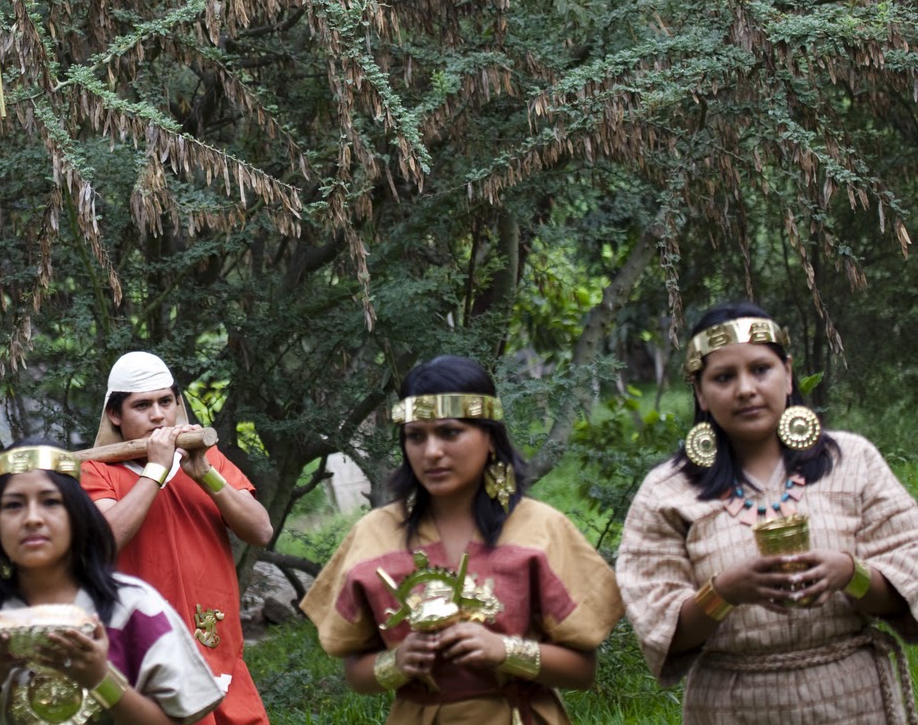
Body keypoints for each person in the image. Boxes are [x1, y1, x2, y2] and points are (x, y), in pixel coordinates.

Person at [617, 301, 918, 724]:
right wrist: (725, 592)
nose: (745, 389)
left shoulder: (854, 461)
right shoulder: (667, 492)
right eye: (724, 377)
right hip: (731, 707)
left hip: (853, 699)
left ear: (788, 373)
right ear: (700, 393)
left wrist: (850, 573)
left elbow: (909, 580)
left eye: (761, 369)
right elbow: (660, 625)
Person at [301, 356, 623, 724]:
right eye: (416, 436)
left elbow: (582, 671)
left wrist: (504, 650)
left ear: (490, 438)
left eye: (450, 432)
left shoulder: (540, 529)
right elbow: (355, 670)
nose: (432, 452)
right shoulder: (374, 535)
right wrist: (397, 663)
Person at [0, 440, 225, 725]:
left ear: (78, 517)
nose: (33, 518)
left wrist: (101, 678)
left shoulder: (136, 610)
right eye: (13, 505)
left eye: (51, 502)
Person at [78, 351, 272, 725]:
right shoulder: (95, 470)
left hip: (217, 643)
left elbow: (261, 530)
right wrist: (155, 469)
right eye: (143, 405)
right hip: (147, 657)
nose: (158, 415)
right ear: (115, 415)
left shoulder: (206, 459)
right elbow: (105, 540)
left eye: (166, 401)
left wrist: (205, 476)